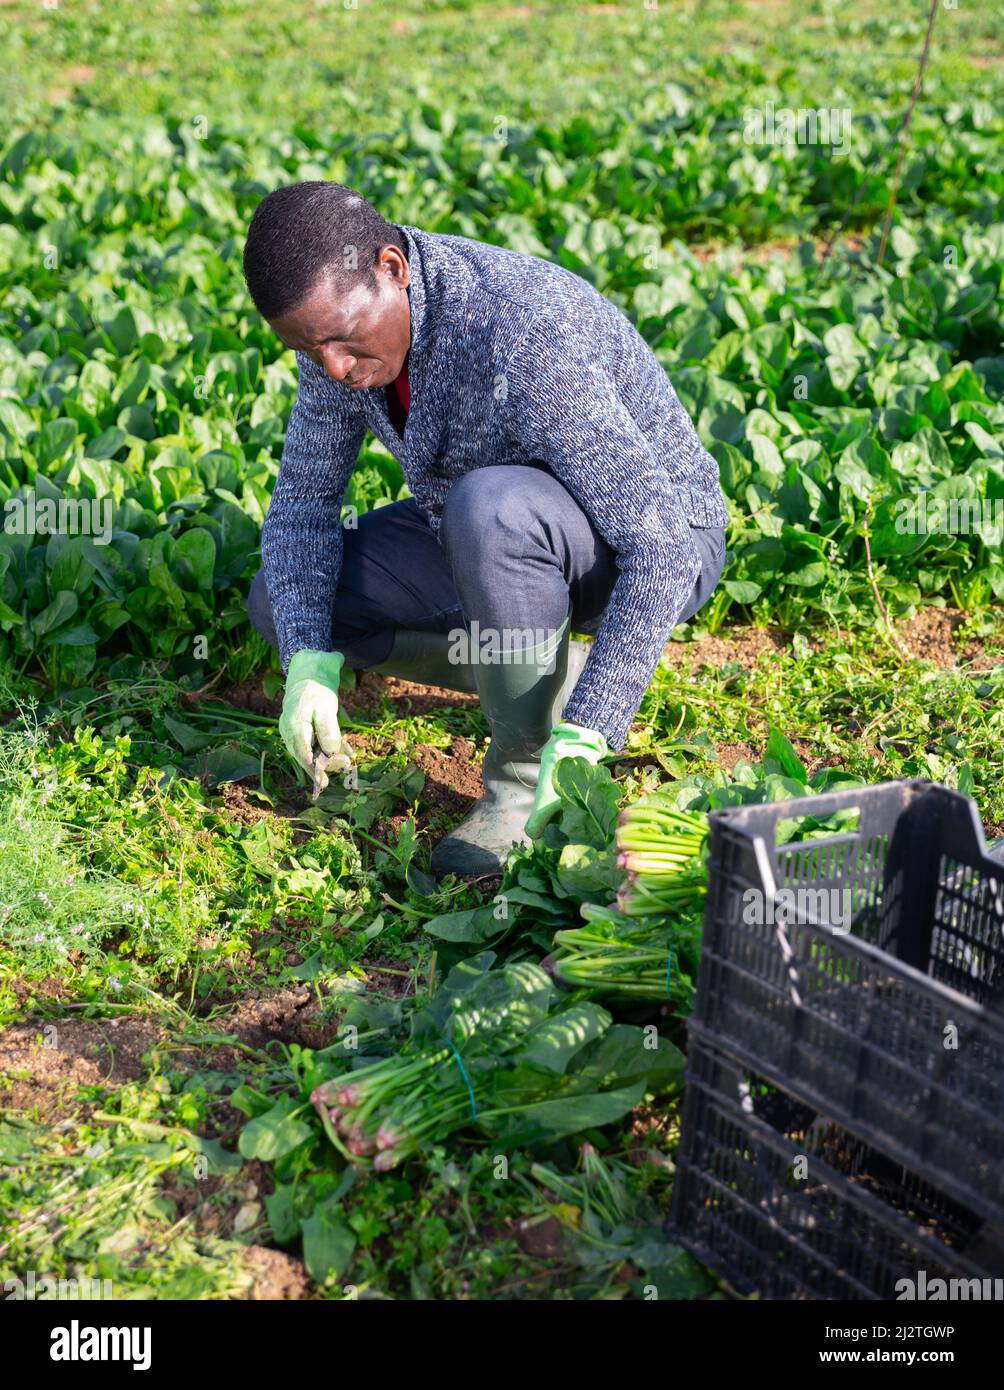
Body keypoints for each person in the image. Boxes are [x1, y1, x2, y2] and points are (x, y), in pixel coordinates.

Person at [242, 182, 727, 877]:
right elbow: (303, 511)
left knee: (489, 506)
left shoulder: (520, 330)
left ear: (392, 268)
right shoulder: (335, 339)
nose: (335, 369)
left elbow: (663, 548)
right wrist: (307, 663)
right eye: (309, 350)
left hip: (646, 541)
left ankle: (525, 774)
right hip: (487, 536)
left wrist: (594, 729)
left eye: (342, 341)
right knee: (286, 603)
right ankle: (543, 675)